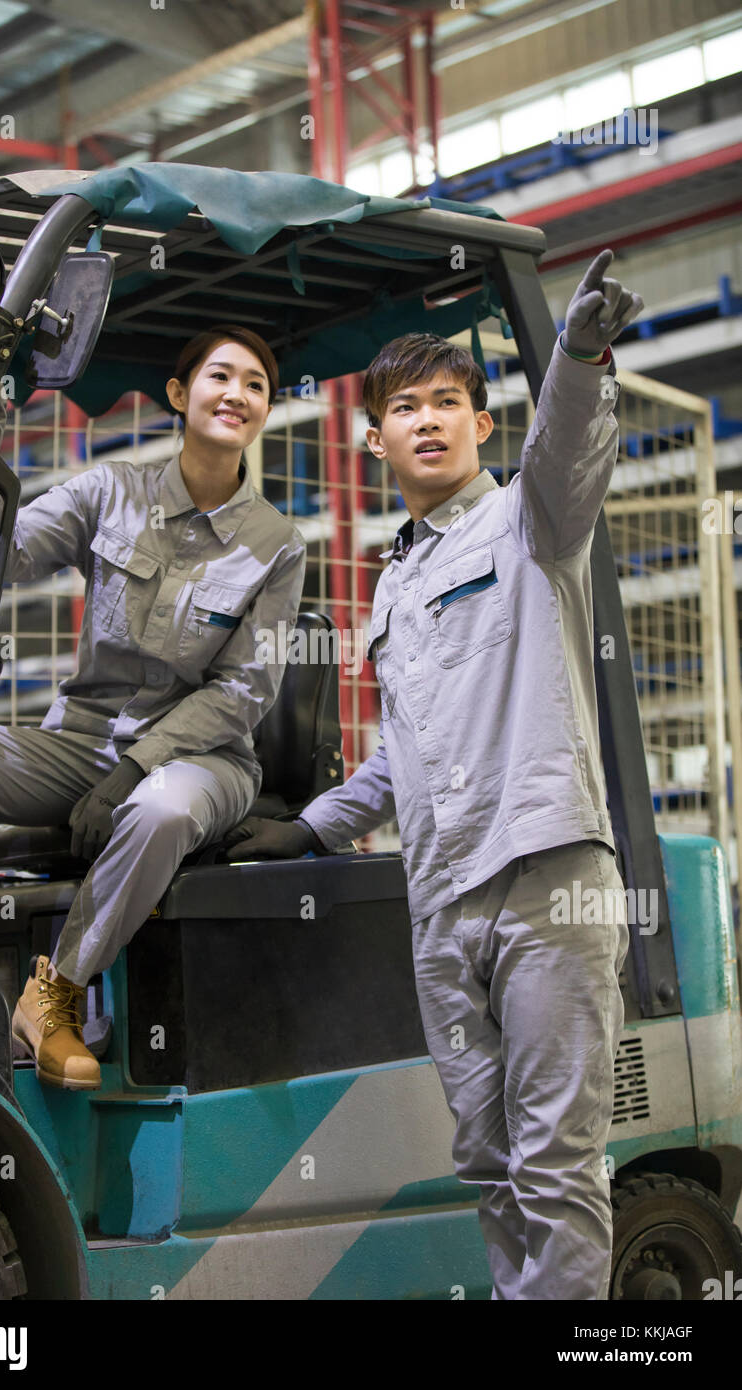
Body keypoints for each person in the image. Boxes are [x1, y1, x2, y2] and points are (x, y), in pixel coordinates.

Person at [224, 250, 645, 1300]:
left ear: (479, 426)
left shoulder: (526, 524)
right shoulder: (395, 582)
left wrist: (580, 353)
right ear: (373, 441)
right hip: (440, 904)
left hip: (543, 876)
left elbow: (567, 447)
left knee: (554, 1163)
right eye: (404, 407)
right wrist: (314, 825)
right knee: (489, 1164)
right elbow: (402, 747)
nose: (426, 421)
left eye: (447, 403)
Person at [0, 325, 306, 1092]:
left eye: (257, 385)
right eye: (221, 377)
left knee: (159, 812)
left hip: (202, 759)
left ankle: (54, 995)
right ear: (182, 397)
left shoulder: (277, 543)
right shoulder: (109, 493)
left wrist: (133, 770)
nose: (238, 395)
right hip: (84, 741)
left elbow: (242, 692)